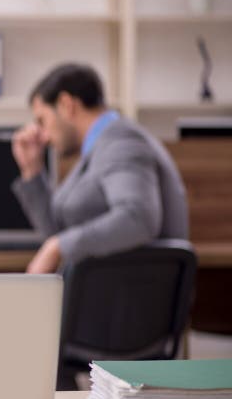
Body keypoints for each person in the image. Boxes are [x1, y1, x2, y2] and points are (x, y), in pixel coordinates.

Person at [11, 63, 188, 274]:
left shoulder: (122, 142)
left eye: (43, 120)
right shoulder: (96, 151)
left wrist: (59, 247)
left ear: (66, 105)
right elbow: (58, 232)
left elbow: (138, 217)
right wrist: (32, 169)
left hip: (124, 298)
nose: (44, 136)